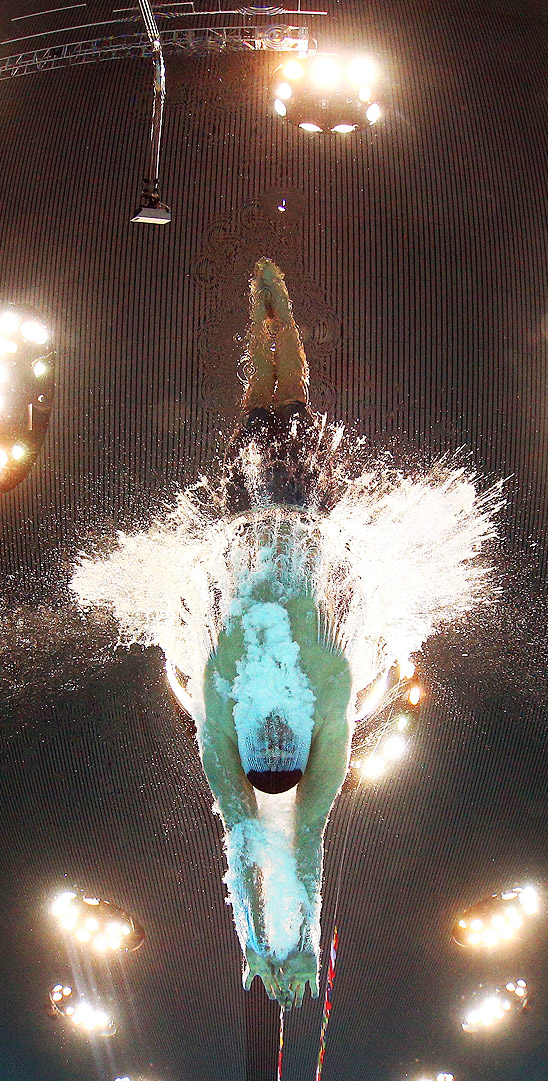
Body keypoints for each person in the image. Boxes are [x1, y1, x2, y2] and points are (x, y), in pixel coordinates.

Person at [198, 261, 353, 1005]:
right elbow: (306, 853)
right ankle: (278, 314)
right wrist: (301, 948)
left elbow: (242, 851)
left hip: (248, 522)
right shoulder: (326, 682)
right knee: (289, 397)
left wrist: (259, 944)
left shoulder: (224, 686)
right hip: (302, 517)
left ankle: (267, 316)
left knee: (257, 404)